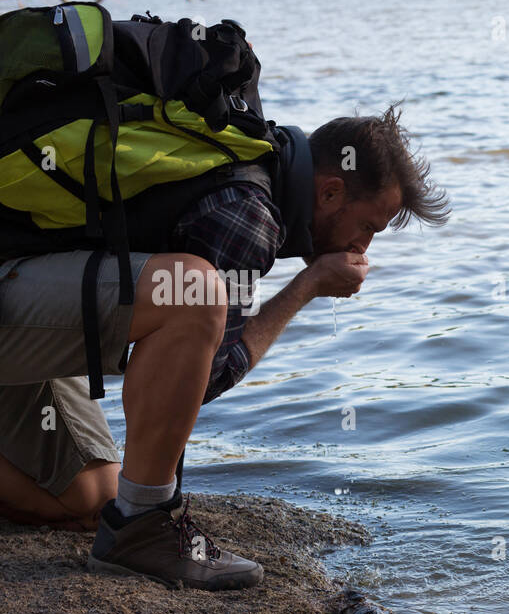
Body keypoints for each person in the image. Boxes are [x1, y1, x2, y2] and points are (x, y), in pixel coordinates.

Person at [0, 105, 450, 589]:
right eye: (369, 227)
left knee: (93, 496)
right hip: (15, 292)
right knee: (196, 293)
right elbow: (204, 377)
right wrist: (307, 285)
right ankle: (143, 528)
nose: (364, 248)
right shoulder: (247, 213)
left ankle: (131, 514)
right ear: (330, 191)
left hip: (26, 293)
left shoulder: (238, 156)